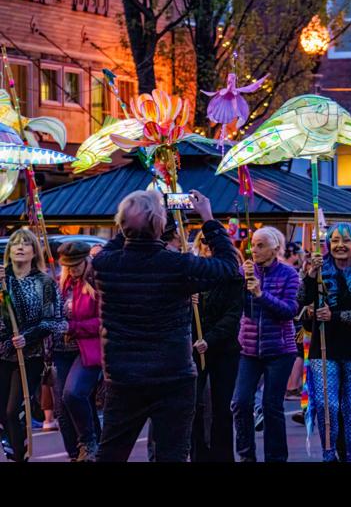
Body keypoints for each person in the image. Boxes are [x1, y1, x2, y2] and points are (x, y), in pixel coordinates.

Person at [90, 189, 239, 461]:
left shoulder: (104, 264)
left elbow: (116, 241)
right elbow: (229, 267)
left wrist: (134, 220)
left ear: (121, 225)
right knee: (172, 454)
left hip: (123, 376)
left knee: (111, 452)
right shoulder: (176, 265)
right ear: (160, 225)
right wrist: (208, 219)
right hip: (173, 375)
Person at [298, 222, 351, 462]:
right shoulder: (318, 272)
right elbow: (300, 303)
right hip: (324, 348)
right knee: (328, 407)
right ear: (328, 244)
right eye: (335, 241)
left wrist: (334, 316)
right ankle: (329, 456)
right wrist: (310, 276)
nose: (340, 246)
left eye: (346, 241)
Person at [231, 226, 301, 462]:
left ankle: (276, 457)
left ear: (276, 249)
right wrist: (242, 284)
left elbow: (289, 310)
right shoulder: (246, 271)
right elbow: (240, 309)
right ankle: (246, 456)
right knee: (240, 402)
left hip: (280, 349)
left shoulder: (289, 274)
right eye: (253, 244)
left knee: (272, 406)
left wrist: (261, 294)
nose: (254, 249)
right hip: (248, 348)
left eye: (261, 245)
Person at [0, 227, 64, 461]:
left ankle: (20, 456)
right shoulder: (2, 279)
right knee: (1, 411)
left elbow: (55, 321)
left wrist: (28, 336)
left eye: (25, 243)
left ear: (33, 251)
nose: (19, 247)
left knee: (13, 409)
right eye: (15, 243)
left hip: (30, 355)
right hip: (3, 353)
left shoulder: (44, 282)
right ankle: (11, 443)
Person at [190, 231, 245, 462]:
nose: (207, 246)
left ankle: (222, 456)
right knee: (194, 406)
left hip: (223, 348)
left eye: (211, 242)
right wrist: (187, 301)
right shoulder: (192, 275)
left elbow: (233, 315)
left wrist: (209, 339)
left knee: (222, 408)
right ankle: (198, 455)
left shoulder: (233, 276)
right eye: (203, 241)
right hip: (194, 348)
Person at [51, 241, 103, 460]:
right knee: (62, 409)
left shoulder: (96, 282)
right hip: (61, 350)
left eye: (76, 264)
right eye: (68, 265)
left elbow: (103, 320)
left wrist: (73, 327)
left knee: (73, 394)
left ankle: (89, 442)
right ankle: (76, 454)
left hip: (87, 350)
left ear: (85, 261)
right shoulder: (59, 285)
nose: (72, 269)